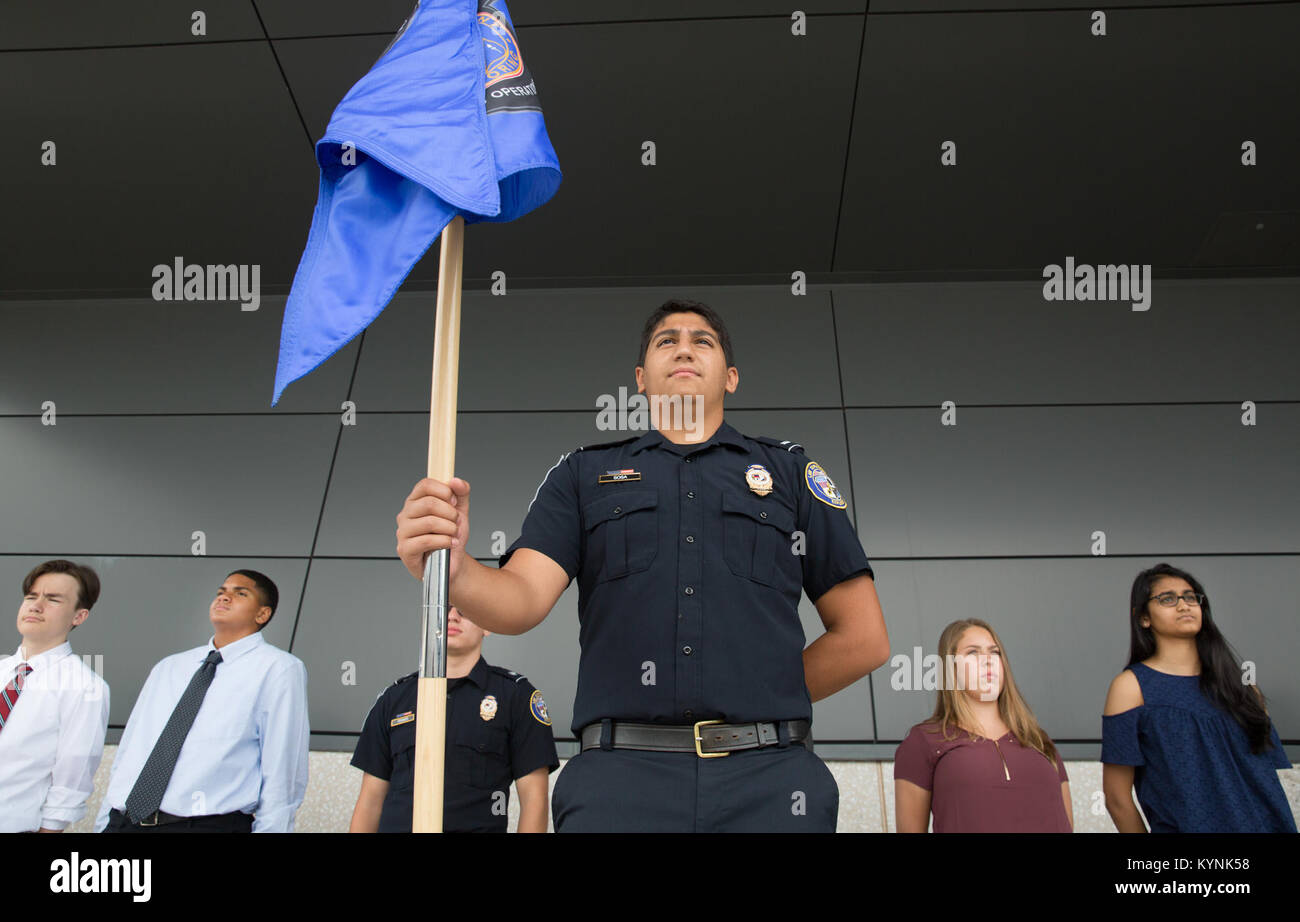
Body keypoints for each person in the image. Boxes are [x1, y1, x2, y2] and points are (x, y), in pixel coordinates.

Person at [395, 298, 890, 832]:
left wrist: (761, 697)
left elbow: (865, 638)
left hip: (772, 785)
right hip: (618, 787)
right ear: (640, 378)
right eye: (666, 341)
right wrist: (455, 568)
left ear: (731, 377)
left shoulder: (792, 474)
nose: (684, 348)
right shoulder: (582, 476)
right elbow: (520, 601)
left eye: (703, 341)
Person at [95, 570, 309, 833]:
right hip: (125, 824)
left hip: (204, 825)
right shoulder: (170, 667)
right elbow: (131, 749)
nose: (224, 597)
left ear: (262, 614)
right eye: (221, 592)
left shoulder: (278, 669)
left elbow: (282, 770)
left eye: (240, 593)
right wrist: (105, 820)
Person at [1101, 562, 1295, 833]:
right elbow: (1117, 800)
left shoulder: (1242, 689)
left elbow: (1263, 782)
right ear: (1143, 617)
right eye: (1167, 599)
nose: (1184, 605)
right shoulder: (1131, 687)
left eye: (1191, 597)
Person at [348, 607, 558, 833]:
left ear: (487, 625)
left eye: (465, 609)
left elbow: (534, 801)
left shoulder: (516, 697)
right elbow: (370, 801)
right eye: (443, 608)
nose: (452, 616)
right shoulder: (393, 700)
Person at [893, 619, 1073, 832]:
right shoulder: (923, 741)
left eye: (994, 652)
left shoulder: (1038, 739)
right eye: (973, 653)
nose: (987, 661)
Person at [0, 560, 110, 833]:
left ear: (79, 616)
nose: (36, 605)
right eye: (31, 596)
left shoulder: (85, 686)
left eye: (53, 599)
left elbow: (71, 780)